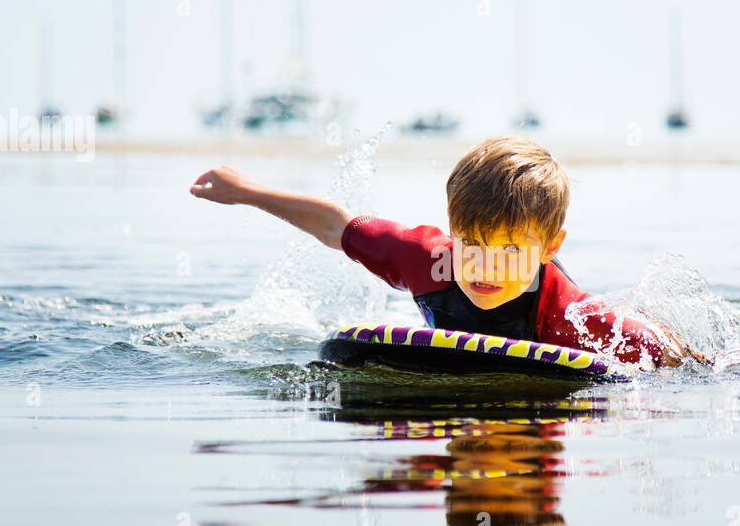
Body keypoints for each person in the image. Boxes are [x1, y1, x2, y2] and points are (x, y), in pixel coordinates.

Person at [189, 136, 690, 367]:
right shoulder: (424, 259)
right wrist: (248, 192)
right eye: (471, 245)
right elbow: (334, 224)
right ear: (453, 234)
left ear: (549, 247)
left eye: (510, 251)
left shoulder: (572, 316)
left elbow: (674, 360)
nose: (486, 266)